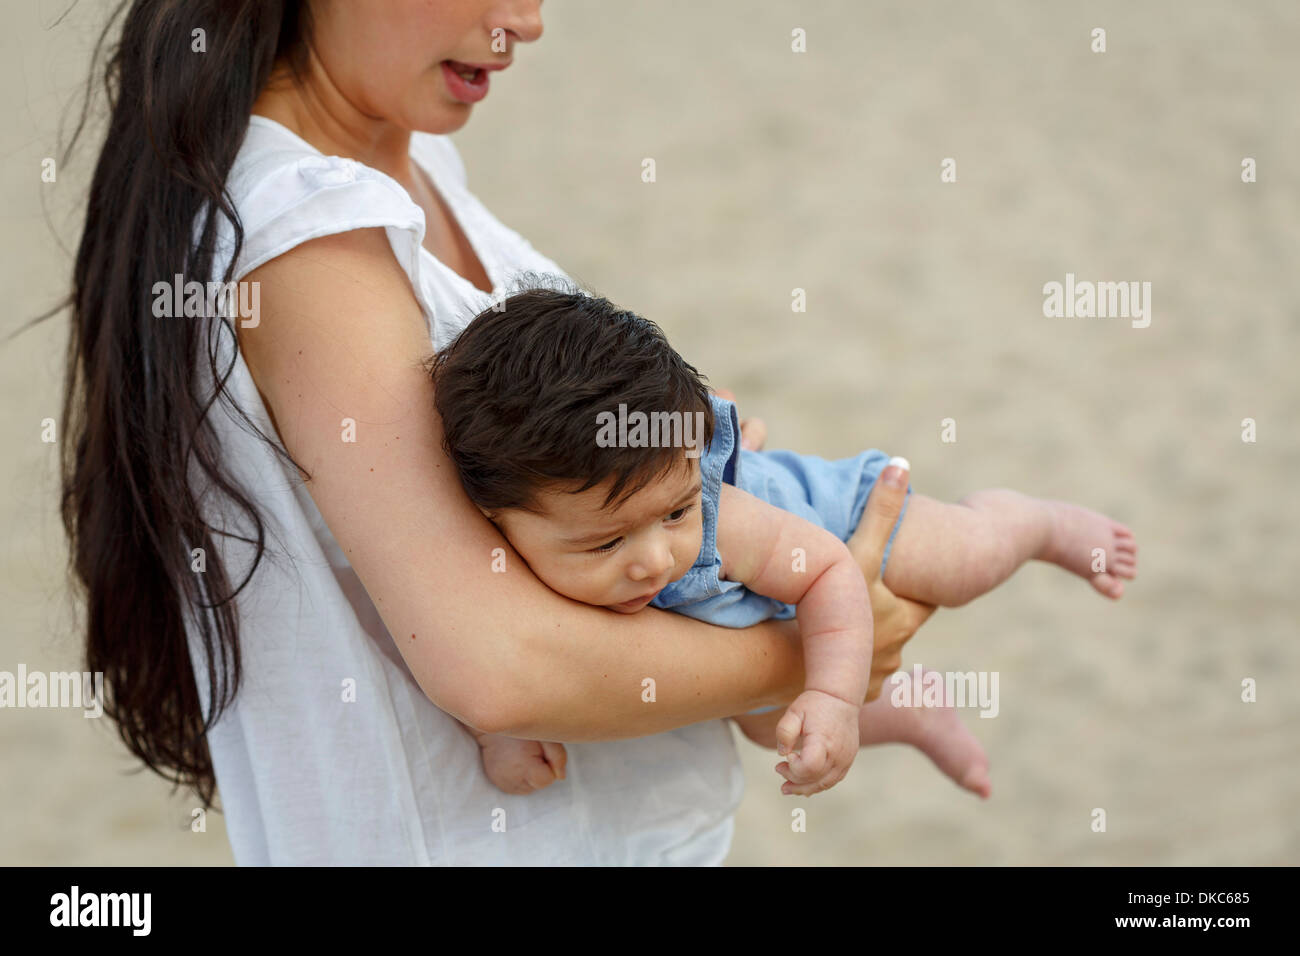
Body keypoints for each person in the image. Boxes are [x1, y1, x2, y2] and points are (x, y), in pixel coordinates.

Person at [58, 0, 935, 864]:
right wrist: (810, 659)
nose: (529, 19)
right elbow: (496, 667)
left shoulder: (414, 159)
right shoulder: (311, 236)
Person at [430, 288, 1139, 797]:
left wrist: (834, 696)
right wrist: (504, 733)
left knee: (964, 562)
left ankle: (1036, 521)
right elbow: (508, 659)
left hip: (833, 522)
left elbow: (829, 572)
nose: (654, 559)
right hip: (749, 627)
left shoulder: (717, 517)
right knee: (775, 733)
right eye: (604, 543)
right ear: (497, 518)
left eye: (673, 513)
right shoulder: (506, 549)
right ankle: (918, 707)